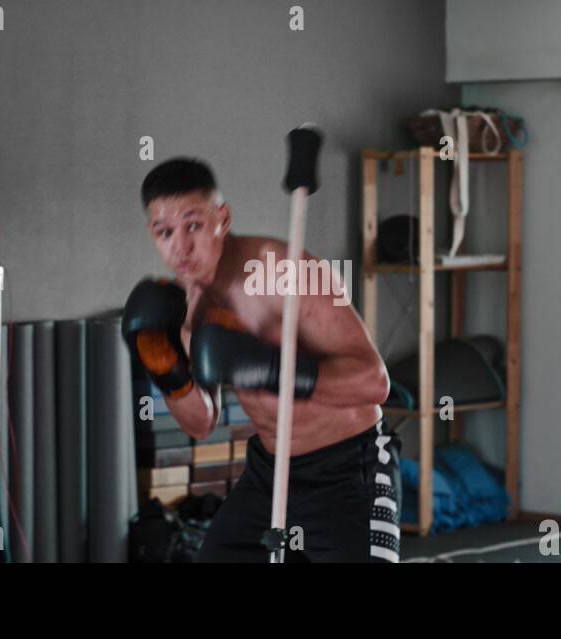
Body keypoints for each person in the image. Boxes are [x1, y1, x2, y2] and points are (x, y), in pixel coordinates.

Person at [122, 158, 401, 562]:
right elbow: (200, 422)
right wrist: (167, 371)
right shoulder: (181, 307)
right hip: (271, 472)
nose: (179, 247)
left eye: (193, 226)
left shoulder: (283, 271)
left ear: (223, 218)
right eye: (164, 232)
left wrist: (274, 370)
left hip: (349, 467)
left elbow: (375, 383)